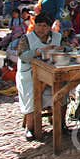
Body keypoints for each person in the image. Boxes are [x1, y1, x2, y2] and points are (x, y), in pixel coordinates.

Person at [16, 13, 64, 141]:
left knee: (62, 89)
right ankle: (31, 128)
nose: (41, 29)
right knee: (32, 93)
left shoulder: (57, 37)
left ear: (49, 27)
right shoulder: (27, 38)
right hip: (29, 72)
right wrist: (38, 52)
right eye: (38, 25)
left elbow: (67, 48)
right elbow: (22, 55)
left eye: (44, 26)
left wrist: (61, 49)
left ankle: (60, 124)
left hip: (51, 71)